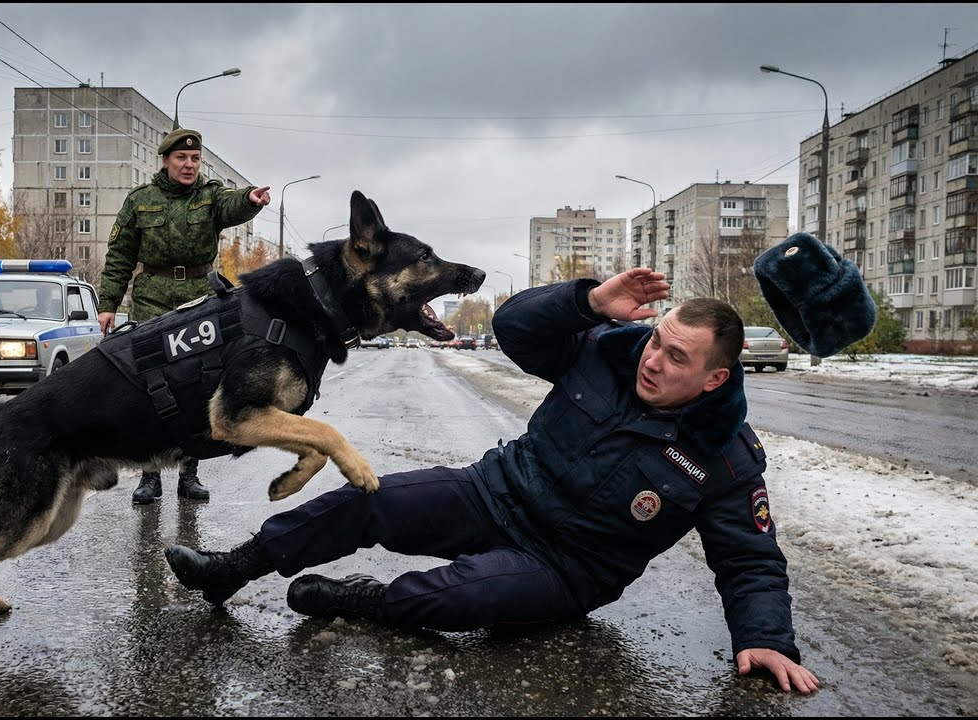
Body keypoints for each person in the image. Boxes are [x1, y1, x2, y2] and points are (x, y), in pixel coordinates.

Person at [164, 267, 822, 694]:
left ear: (714, 378)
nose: (653, 360)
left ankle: (363, 598)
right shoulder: (607, 351)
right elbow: (515, 330)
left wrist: (765, 637)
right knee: (375, 500)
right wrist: (589, 301)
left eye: (676, 357)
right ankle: (235, 567)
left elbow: (749, 558)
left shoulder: (725, 455)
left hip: (564, 566)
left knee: (454, 600)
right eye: (657, 340)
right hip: (494, 490)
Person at [97, 127, 271, 505]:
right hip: (152, 300)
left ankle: (189, 473)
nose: (189, 165)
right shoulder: (140, 201)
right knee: (149, 386)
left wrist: (251, 199)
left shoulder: (208, 197)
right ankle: (150, 475)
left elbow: (231, 203)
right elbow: (120, 257)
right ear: (165, 160)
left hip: (199, 299)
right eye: (182, 158)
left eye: (195, 159)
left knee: (199, 384)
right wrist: (108, 304)